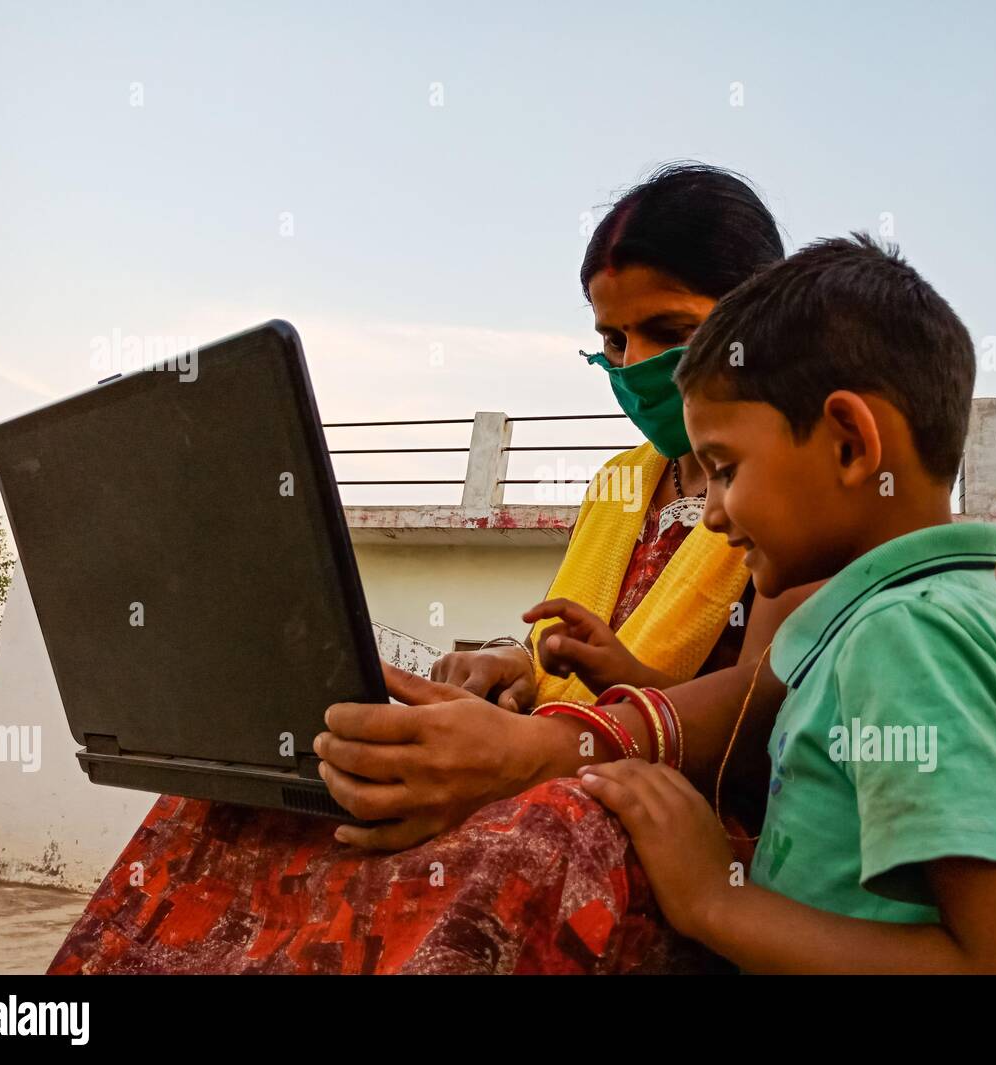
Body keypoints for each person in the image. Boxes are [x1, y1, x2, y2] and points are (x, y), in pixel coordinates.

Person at [47, 164, 809, 975]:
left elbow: (763, 702)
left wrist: (540, 750)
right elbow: (584, 643)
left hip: (681, 805)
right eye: (615, 341)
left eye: (670, 331)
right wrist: (511, 669)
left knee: (539, 832)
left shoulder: (800, 478)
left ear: (760, 321)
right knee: (276, 792)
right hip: (565, 745)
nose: (632, 366)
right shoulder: (622, 485)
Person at [578, 234, 996, 974]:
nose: (712, 513)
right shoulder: (885, 620)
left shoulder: (908, 633)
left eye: (724, 469)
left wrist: (716, 901)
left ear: (850, 444)